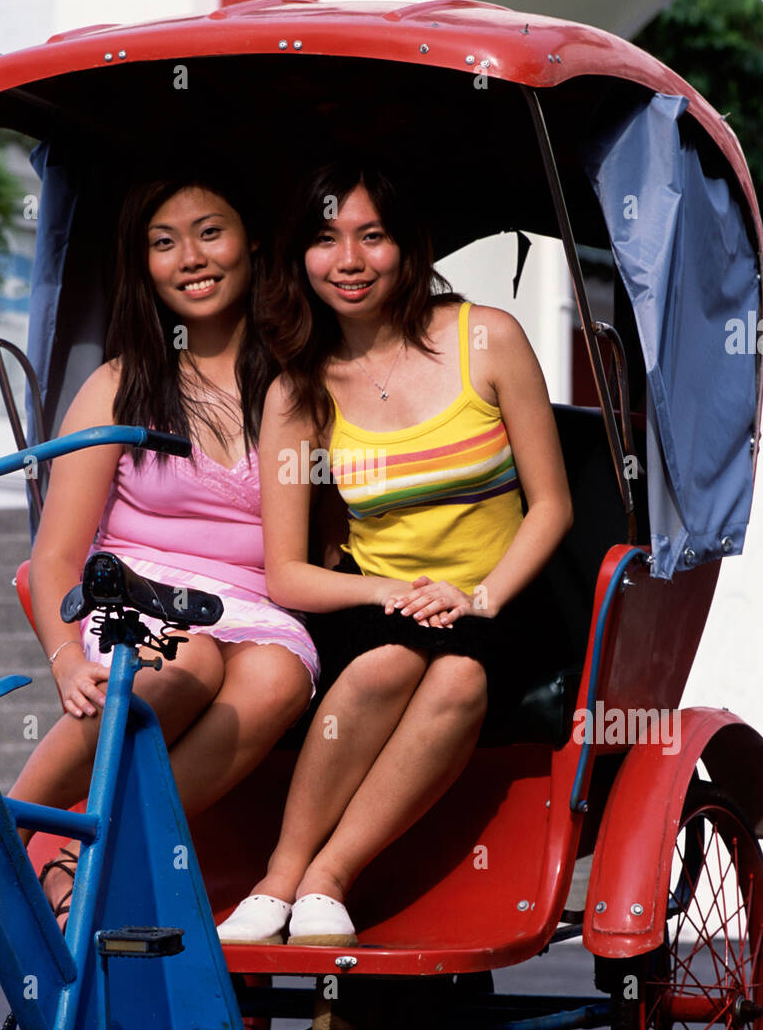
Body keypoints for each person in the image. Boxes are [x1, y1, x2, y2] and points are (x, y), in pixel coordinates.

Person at [217, 162, 573, 946]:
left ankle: (325, 879)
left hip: (502, 599)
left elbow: (551, 505)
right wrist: (385, 593)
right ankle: (278, 880)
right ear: (297, 258)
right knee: (384, 663)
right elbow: (288, 573)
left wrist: (479, 598)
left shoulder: (486, 337)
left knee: (457, 671)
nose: (348, 260)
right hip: (380, 604)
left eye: (370, 236)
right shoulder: (296, 394)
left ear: (407, 246)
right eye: (324, 239)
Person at [9, 173, 318, 927]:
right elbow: (53, 558)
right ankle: (6, 824)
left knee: (280, 677)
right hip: (134, 592)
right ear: (142, 266)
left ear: (250, 246)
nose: (191, 257)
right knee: (184, 662)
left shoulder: (293, 385)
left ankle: (94, 856)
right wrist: (65, 660)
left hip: (253, 599)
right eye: (163, 242)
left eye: (210, 232)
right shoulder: (118, 386)